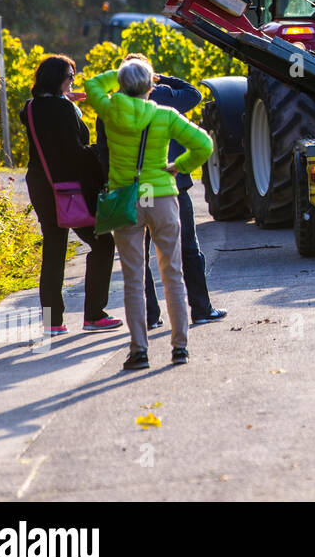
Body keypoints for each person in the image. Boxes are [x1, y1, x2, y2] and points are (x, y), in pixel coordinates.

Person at [86, 58, 213, 370]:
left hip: (127, 200)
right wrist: (178, 166)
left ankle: (139, 350)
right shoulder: (165, 115)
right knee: (173, 272)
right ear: (151, 86)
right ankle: (179, 347)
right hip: (162, 197)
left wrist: (119, 74)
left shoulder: (111, 111)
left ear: (121, 83)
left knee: (133, 278)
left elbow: (92, 85)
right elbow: (204, 145)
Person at [22, 56, 121, 336]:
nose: (73, 82)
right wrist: (100, 156)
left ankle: (52, 322)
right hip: (69, 189)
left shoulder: (29, 108)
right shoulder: (64, 109)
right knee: (103, 243)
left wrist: (69, 102)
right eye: (70, 77)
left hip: (41, 186)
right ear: (58, 79)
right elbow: (74, 152)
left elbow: (50, 136)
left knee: (54, 250)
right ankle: (94, 314)